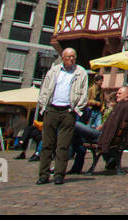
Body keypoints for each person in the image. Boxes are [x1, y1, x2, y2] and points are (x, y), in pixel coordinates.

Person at [36, 47, 89, 185]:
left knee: (63, 145)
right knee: (47, 144)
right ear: (63, 57)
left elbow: (84, 94)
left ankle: (59, 174)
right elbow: (45, 89)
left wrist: (76, 109)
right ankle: (43, 175)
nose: (71, 59)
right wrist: (44, 105)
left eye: (73, 57)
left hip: (68, 111)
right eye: (68, 57)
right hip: (51, 109)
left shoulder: (80, 73)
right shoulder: (54, 71)